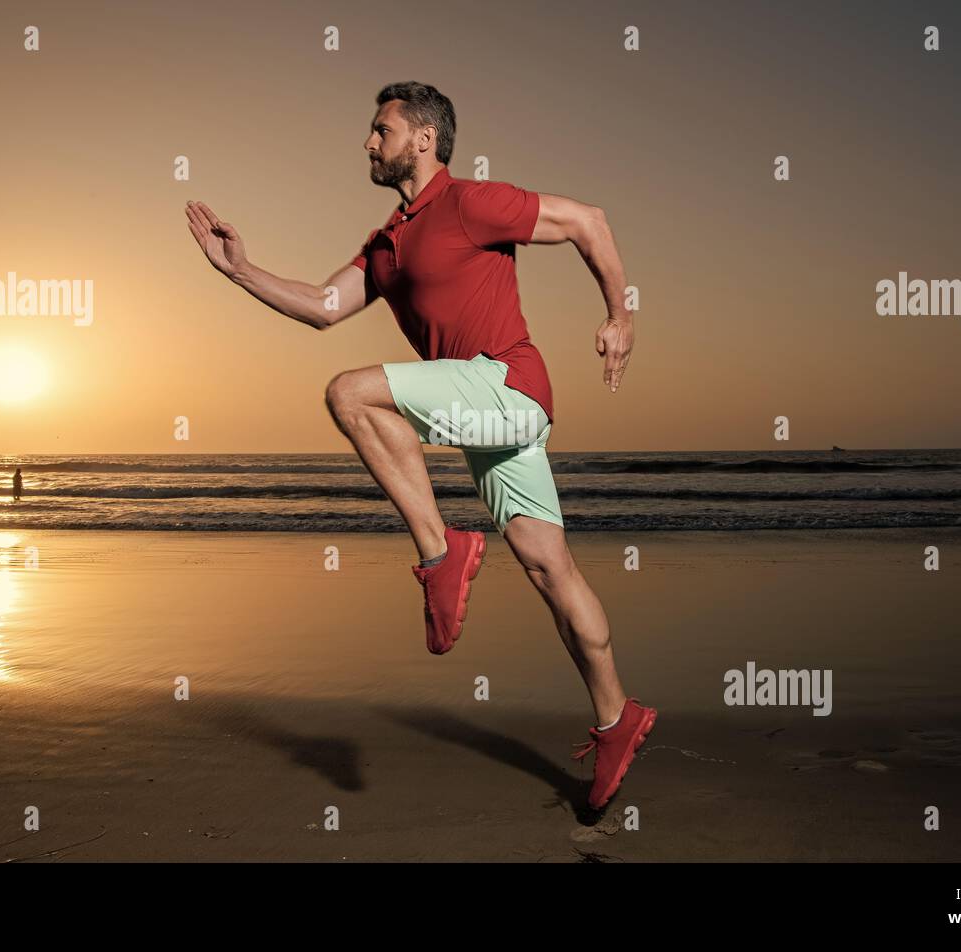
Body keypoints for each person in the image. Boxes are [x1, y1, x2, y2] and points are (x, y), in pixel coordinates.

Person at [184, 81, 655, 810]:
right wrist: (240, 268)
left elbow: (589, 220)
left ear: (425, 138)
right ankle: (617, 718)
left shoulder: (471, 202)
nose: (370, 142)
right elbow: (322, 305)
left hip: (506, 388)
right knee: (550, 570)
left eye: (382, 130)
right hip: (489, 420)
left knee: (349, 393)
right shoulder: (387, 243)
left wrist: (619, 315)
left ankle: (443, 553)